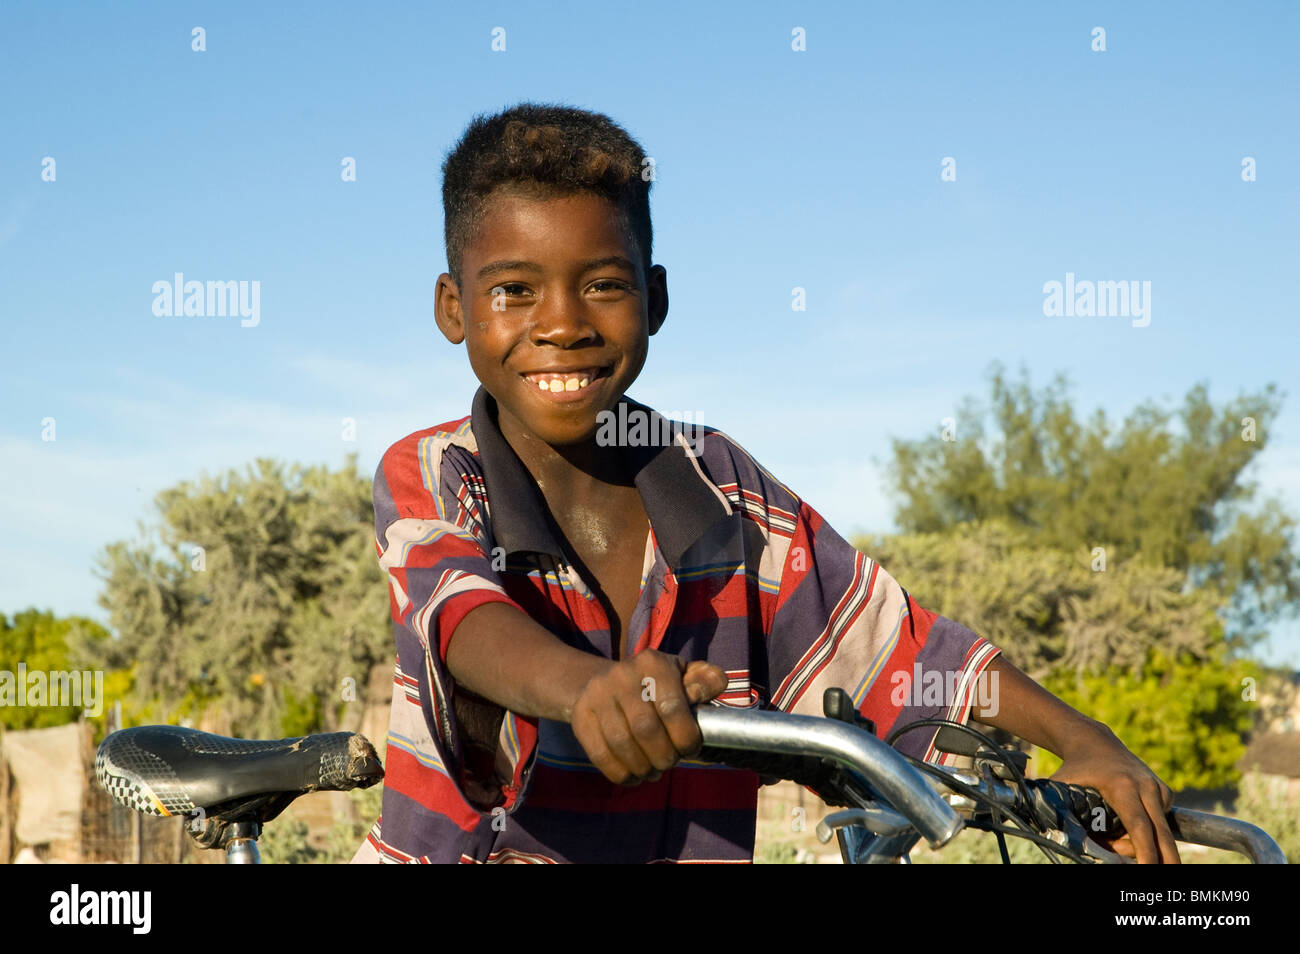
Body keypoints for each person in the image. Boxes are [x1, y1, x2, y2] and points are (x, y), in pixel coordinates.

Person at [350, 101, 1180, 864]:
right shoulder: (434, 472)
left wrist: (1084, 738)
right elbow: (463, 620)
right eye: (515, 291)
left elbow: (907, 650)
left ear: (656, 297)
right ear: (454, 309)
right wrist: (590, 689)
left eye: (603, 284)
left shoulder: (722, 489)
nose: (563, 322)